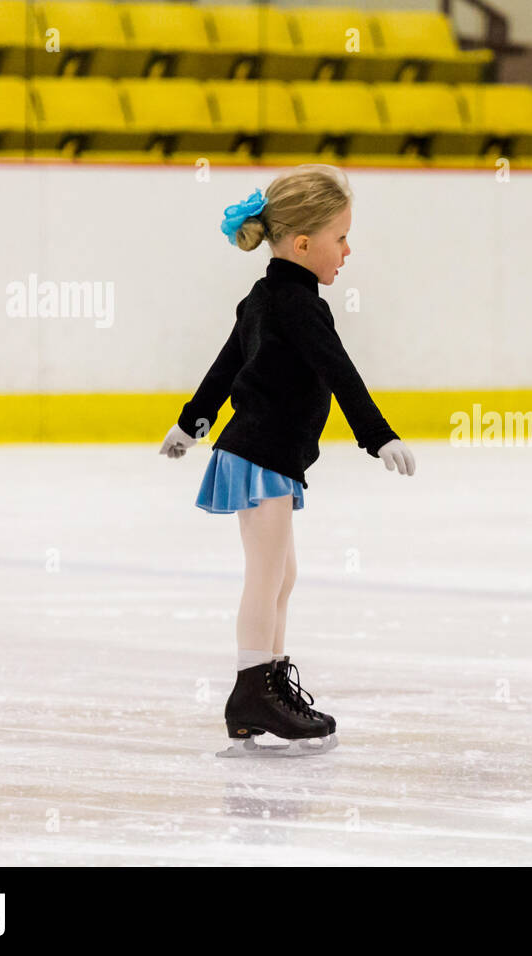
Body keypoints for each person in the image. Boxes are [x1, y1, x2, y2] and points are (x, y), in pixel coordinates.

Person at [158, 165, 415, 757]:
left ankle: (266, 684)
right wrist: (379, 437)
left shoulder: (265, 297)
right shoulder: (299, 307)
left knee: (282, 574)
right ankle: (253, 689)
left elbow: (225, 369)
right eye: (341, 238)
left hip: (266, 455)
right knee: (267, 575)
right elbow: (338, 372)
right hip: (261, 453)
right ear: (303, 244)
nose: (348, 250)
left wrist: (191, 424)